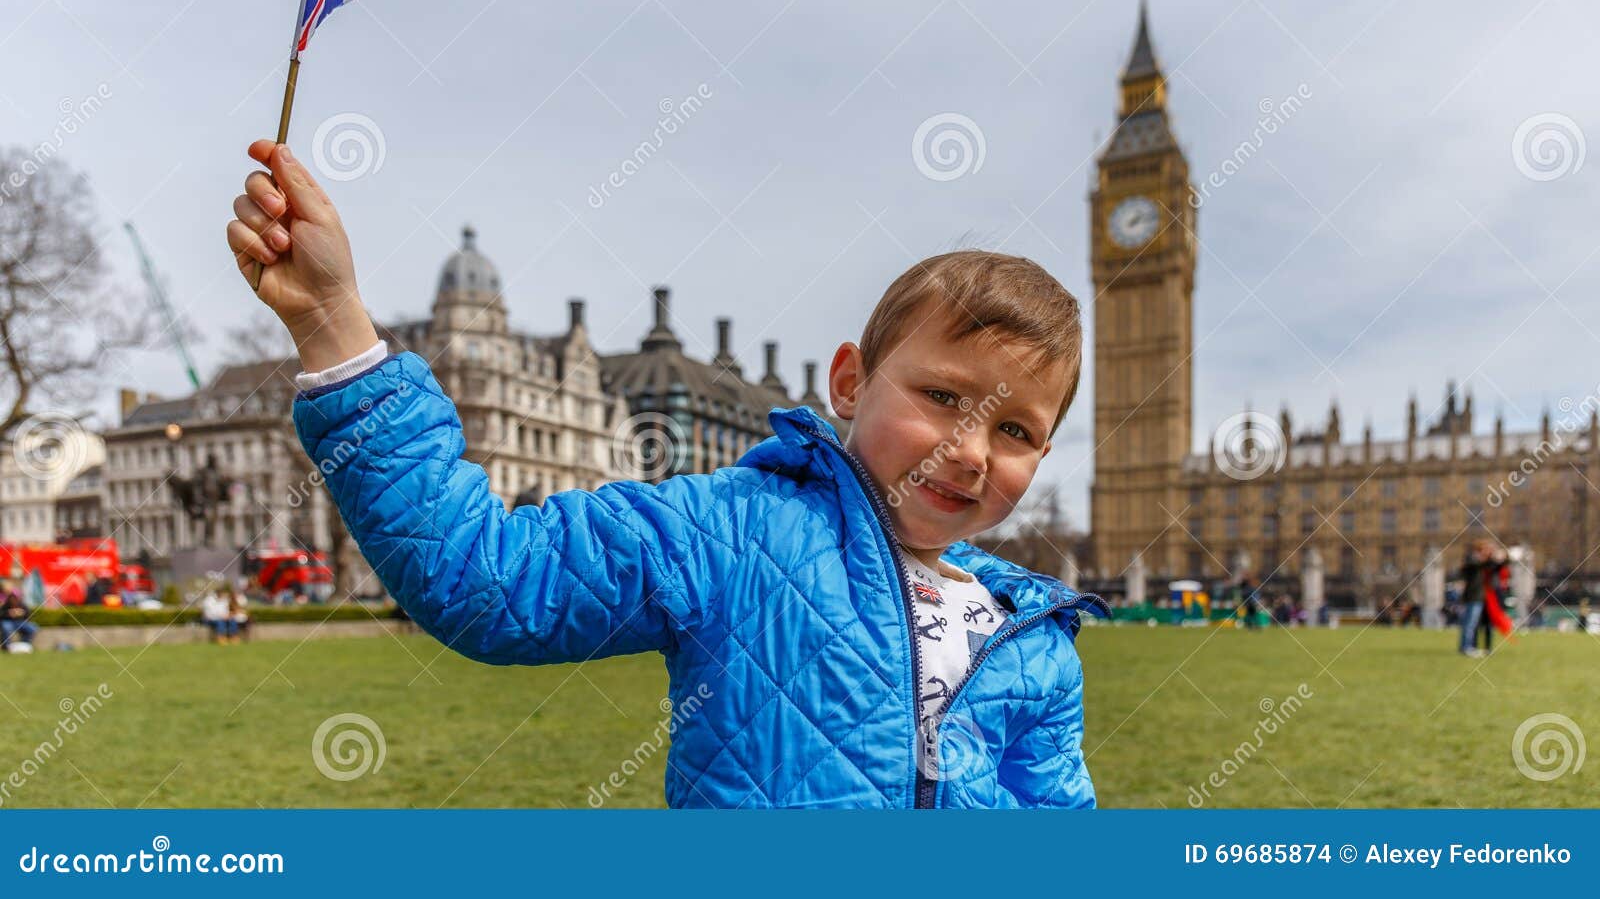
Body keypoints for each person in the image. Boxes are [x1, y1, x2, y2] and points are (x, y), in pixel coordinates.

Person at [227, 140, 1107, 809]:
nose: (969, 447)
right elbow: (484, 578)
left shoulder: (1034, 639)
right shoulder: (729, 530)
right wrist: (337, 326)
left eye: (1016, 427)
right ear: (848, 382)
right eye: (942, 395)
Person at [1457, 539, 1495, 657]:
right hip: (1473, 596)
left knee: (1471, 623)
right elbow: (1478, 564)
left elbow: (1493, 565)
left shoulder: (1478, 561)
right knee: (1470, 623)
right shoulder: (1472, 559)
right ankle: (1467, 647)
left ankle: (1467, 646)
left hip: (1477, 596)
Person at [0, 580, 38, 652]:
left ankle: (24, 645)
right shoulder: (3, 600)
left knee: (32, 628)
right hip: (7, 621)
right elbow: (1, 613)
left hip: (19, 621)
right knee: (6, 627)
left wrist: (22, 613)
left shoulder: (20, 601)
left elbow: (28, 613)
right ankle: (6, 647)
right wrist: (9, 613)